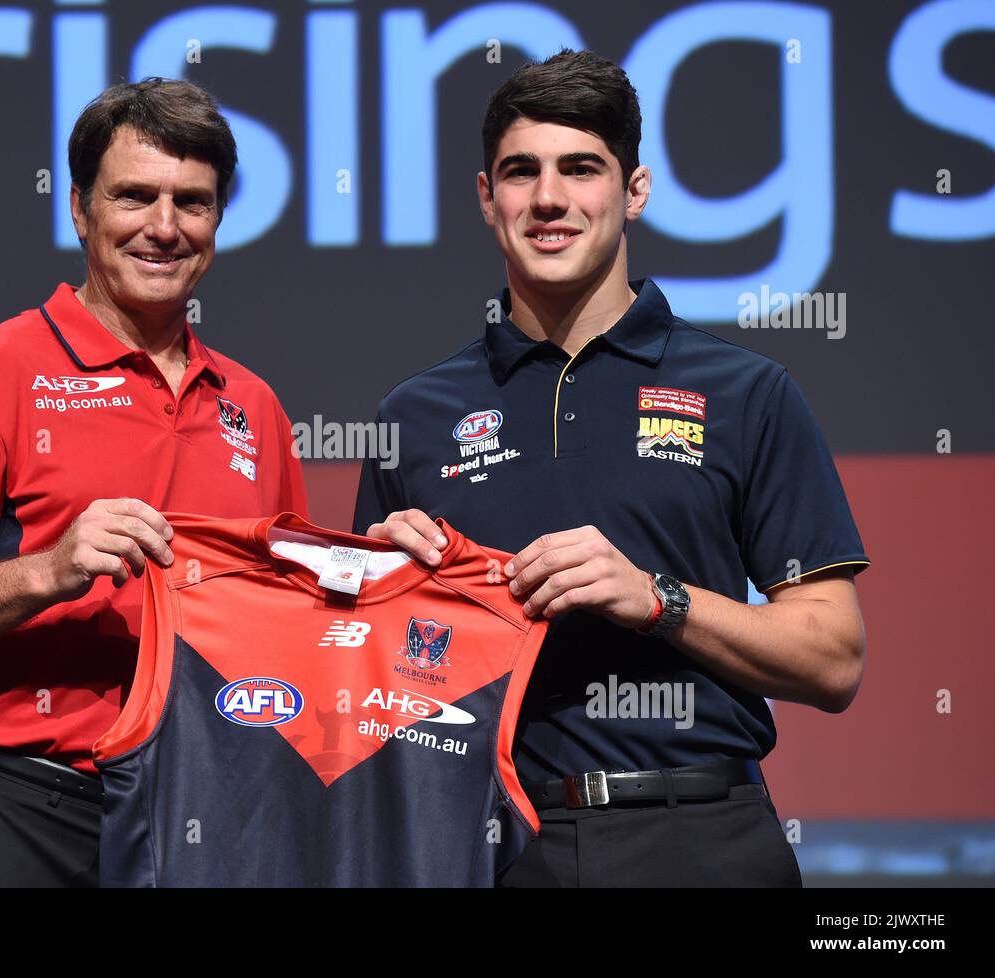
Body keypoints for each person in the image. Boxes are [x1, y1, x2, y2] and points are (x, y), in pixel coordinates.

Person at [353, 50, 868, 887]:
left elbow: (834, 659)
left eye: (581, 168)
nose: (549, 199)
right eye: (521, 172)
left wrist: (655, 600)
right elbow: (369, 702)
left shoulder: (748, 393)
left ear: (634, 190)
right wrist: (381, 601)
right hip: (491, 845)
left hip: (703, 837)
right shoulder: (414, 415)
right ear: (488, 199)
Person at [0, 78, 307, 887]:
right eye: (135, 196)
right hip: (21, 816)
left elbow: (289, 633)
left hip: (201, 824)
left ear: (220, 221)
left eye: (192, 202)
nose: (164, 227)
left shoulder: (253, 407)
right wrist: (50, 570)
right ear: (80, 208)